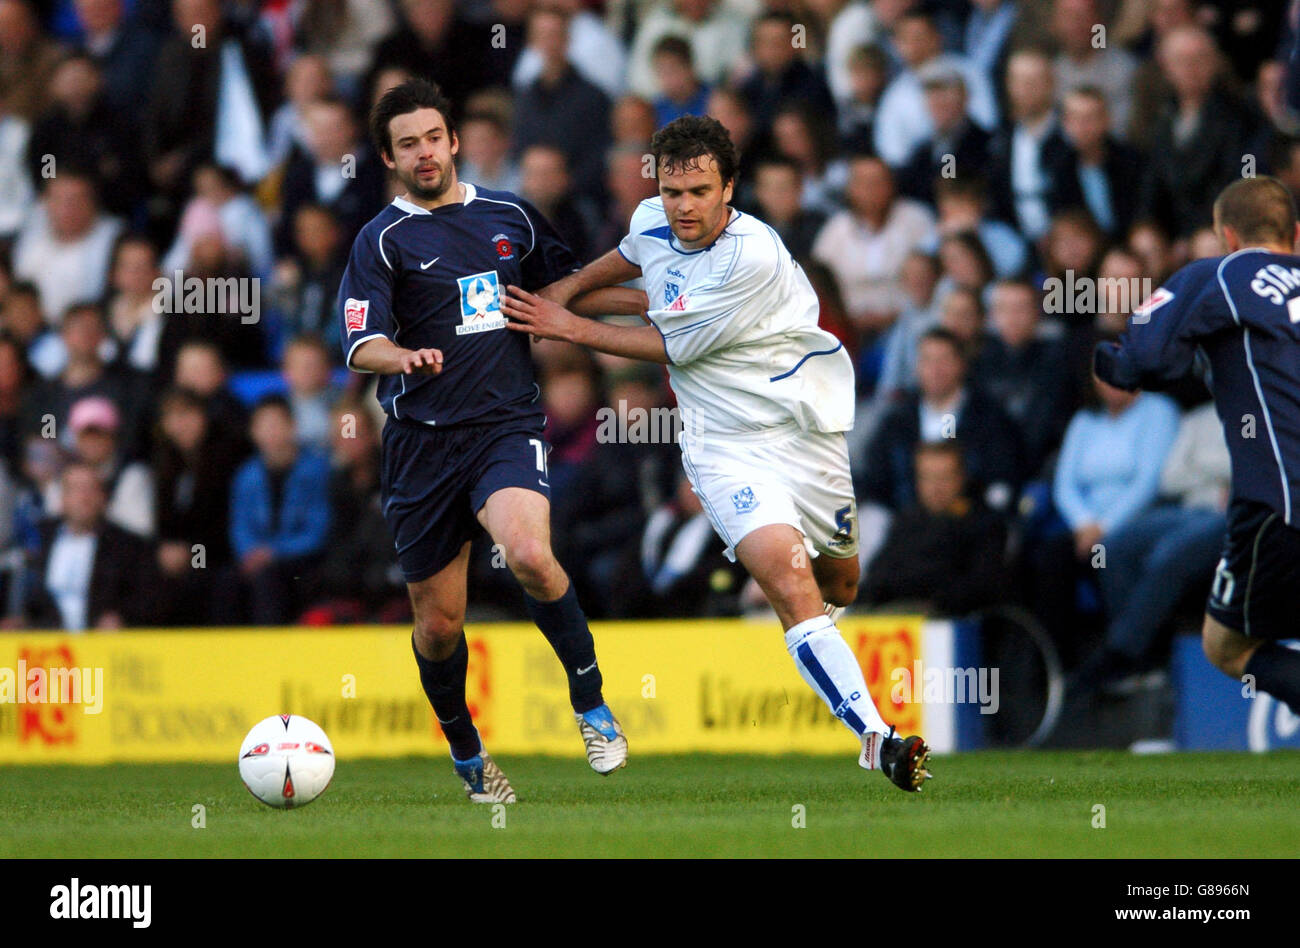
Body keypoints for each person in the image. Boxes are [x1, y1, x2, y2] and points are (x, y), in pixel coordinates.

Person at [501, 115, 933, 793]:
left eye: (700, 191)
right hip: (724, 446)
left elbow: (667, 341)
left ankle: (823, 644)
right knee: (791, 579)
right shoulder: (654, 218)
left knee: (840, 584)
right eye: (672, 191)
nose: (684, 206)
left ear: (729, 188)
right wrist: (563, 287)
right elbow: (632, 262)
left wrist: (568, 323)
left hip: (803, 430)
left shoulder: (751, 255)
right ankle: (877, 736)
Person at [338, 79, 638, 803]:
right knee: (440, 624)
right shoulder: (381, 240)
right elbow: (360, 341)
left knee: (530, 553)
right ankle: (467, 750)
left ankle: (592, 705)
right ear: (389, 158)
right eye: (407, 144)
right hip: (420, 446)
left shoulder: (510, 216)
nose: (424, 152)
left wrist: (658, 302)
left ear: (453, 141)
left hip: (504, 427)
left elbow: (566, 288)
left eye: (432, 138)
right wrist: (401, 358)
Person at [1095, 175, 1300, 715]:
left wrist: (1113, 362)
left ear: (1227, 236)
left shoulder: (1221, 275)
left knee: (1227, 646)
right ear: (1297, 234)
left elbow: (1145, 359)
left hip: (1280, 500)